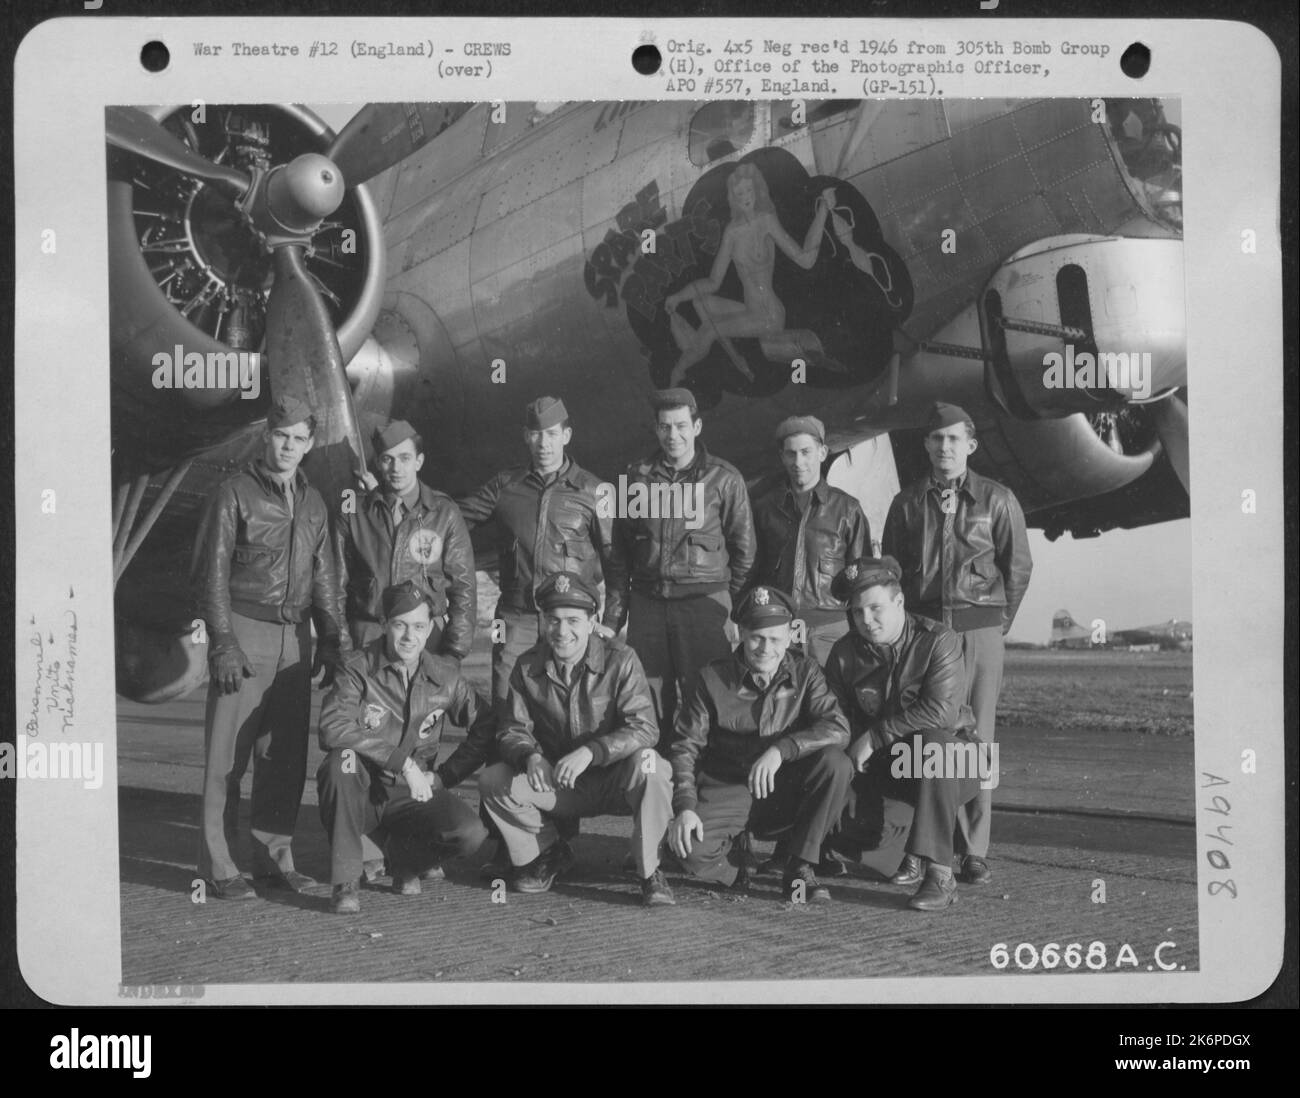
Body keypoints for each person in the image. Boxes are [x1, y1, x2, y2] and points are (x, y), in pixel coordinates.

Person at [191, 395, 346, 900]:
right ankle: (218, 864)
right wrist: (223, 641)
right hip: (245, 628)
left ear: (308, 445)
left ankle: (274, 860)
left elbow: (326, 578)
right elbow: (210, 572)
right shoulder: (233, 493)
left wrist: (331, 643)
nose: (289, 446)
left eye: (300, 439)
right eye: (282, 435)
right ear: (266, 436)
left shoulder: (315, 502)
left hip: (295, 639)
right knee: (227, 758)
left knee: (282, 759)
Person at [882, 402, 1033, 886]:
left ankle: (974, 849)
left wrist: (994, 623)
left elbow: (1018, 567)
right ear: (925, 445)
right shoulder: (905, 503)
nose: (944, 448)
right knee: (924, 735)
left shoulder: (998, 499)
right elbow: (892, 573)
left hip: (979, 630)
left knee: (979, 739)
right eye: (935, 439)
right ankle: (921, 848)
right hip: (926, 634)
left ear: (970, 444)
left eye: (954, 439)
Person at [477, 572, 676, 907]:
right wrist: (529, 755)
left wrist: (593, 751)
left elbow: (645, 728)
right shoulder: (526, 666)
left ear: (592, 621)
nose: (562, 631)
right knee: (493, 779)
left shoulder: (621, 660)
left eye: (572, 620)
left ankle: (650, 871)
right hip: (560, 782)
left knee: (652, 766)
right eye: (553, 620)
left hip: (615, 779)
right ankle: (550, 851)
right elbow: (512, 729)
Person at [668, 585, 853, 903]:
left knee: (836, 763)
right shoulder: (711, 678)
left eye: (776, 639)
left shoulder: (806, 672)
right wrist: (685, 808)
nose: (765, 648)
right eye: (757, 637)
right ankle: (737, 868)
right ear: (740, 633)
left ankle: (799, 868)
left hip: (782, 789)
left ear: (790, 636)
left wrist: (782, 749)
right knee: (691, 851)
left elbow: (837, 727)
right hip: (728, 788)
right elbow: (686, 747)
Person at [317, 582, 492, 914]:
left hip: (410, 795)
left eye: (419, 627)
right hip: (363, 789)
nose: (409, 636)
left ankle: (401, 861)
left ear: (429, 631)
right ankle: (346, 880)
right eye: (400, 625)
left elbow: (485, 725)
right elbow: (332, 726)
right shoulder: (357, 667)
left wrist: (442, 777)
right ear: (385, 626)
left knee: (469, 833)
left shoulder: (446, 675)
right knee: (342, 763)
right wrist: (404, 764)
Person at [823, 557, 982, 911]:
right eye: (857, 611)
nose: (866, 620)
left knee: (933, 744)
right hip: (889, 769)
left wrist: (875, 737)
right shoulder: (844, 652)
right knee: (838, 815)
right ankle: (904, 848)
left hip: (954, 761)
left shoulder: (939, 640)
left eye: (876, 608)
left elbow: (941, 713)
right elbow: (835, 716)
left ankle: (940, 875)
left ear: (899, 602)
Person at [603, 388, 755, 750]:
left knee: (704, 696)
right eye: (665, 427)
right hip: (649, 606)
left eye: (682, 426)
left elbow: (744, 552)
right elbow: (620, 554)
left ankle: (705, 785)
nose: (674, 436)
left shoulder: (724, 479)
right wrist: (614, 618)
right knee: (647, 697)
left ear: (697, 426)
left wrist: (737, 613)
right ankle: (655, 782)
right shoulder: (636, 477)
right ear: (655, 430)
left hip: (704, 606)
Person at [456, 396, 615, 705]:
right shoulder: (504, 486)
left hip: (570, 620)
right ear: (526, 436)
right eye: (537, 434)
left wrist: (609, 622)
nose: (544, 443)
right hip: (514, 619)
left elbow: (615, 563)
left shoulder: (595, 491)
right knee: (505, 699)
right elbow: (452, 515)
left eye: (553, 434)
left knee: (574, 706)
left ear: (566, 436)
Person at [665, 162, 836, 384]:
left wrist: (823, 209)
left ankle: (677, 373)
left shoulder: (766, 221)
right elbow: (713, 281)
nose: (746, 197)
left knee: (708, 329)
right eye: (740, 193)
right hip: (750, 310)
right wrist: (678, 297)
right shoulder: (732, 232)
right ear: (733, 198)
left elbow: (805, 259)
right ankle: (736, 359)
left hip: (769, 317)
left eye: (749, 190)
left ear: (757, 190)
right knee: (701, 302)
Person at [336, 419, 476, 658]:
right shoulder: (354, 513)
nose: (396, 468)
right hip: (369, 638)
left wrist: (454, 652)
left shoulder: (444, 513)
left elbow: (464, 589)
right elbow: (335, 587)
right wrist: (341, 645)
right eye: (387, 459)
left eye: (404, 458)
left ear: (419, 461)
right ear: (378, 464)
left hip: (426, 638)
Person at [748, 414, 871, 664]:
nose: (799, 461)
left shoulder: (847, 509)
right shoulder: (765, 508)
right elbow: (752, 569)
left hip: (830, 631)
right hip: (778, 630)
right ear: (782, 457)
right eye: (791, 454)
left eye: (806, 452)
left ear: (823, 452)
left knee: (831, 700)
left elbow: (862, 576)